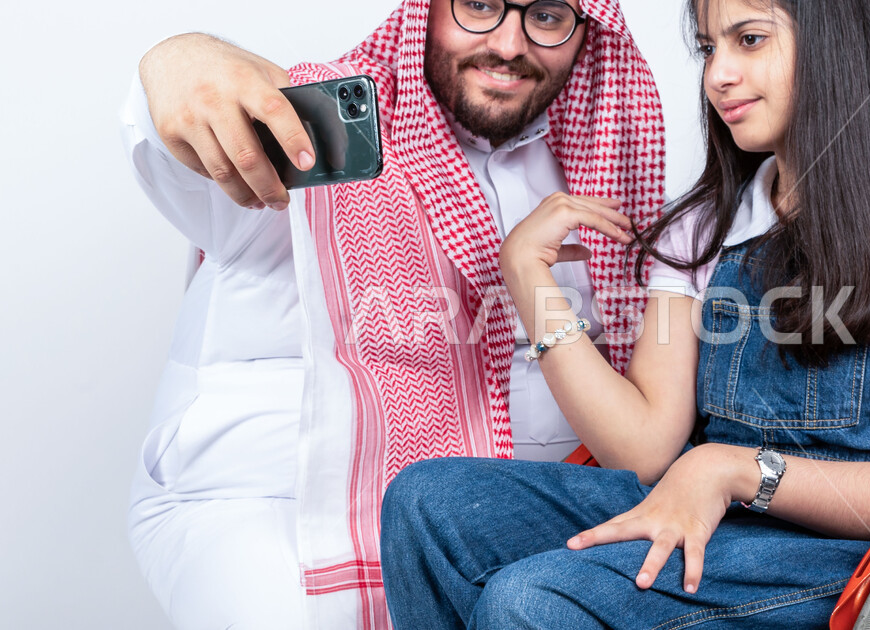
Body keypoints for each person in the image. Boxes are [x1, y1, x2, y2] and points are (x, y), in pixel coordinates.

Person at [378, 0, 870, 627]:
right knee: (427, 502)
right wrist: (526, 274)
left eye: (748, 40)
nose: (718, 75)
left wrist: (733, 469)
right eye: (710, 47)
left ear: (839, 48)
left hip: (851, 555)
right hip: (703, 505)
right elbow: (646, 448)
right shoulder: (705, 228)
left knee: (535, 599)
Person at [121, 0, 665, 627]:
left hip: (508, 524)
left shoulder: (600, 166)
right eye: (482, 5)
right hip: (275, 508)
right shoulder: (304, 133)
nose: (511, 44)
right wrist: (177, 61)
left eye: (545, 16)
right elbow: (180, 139)